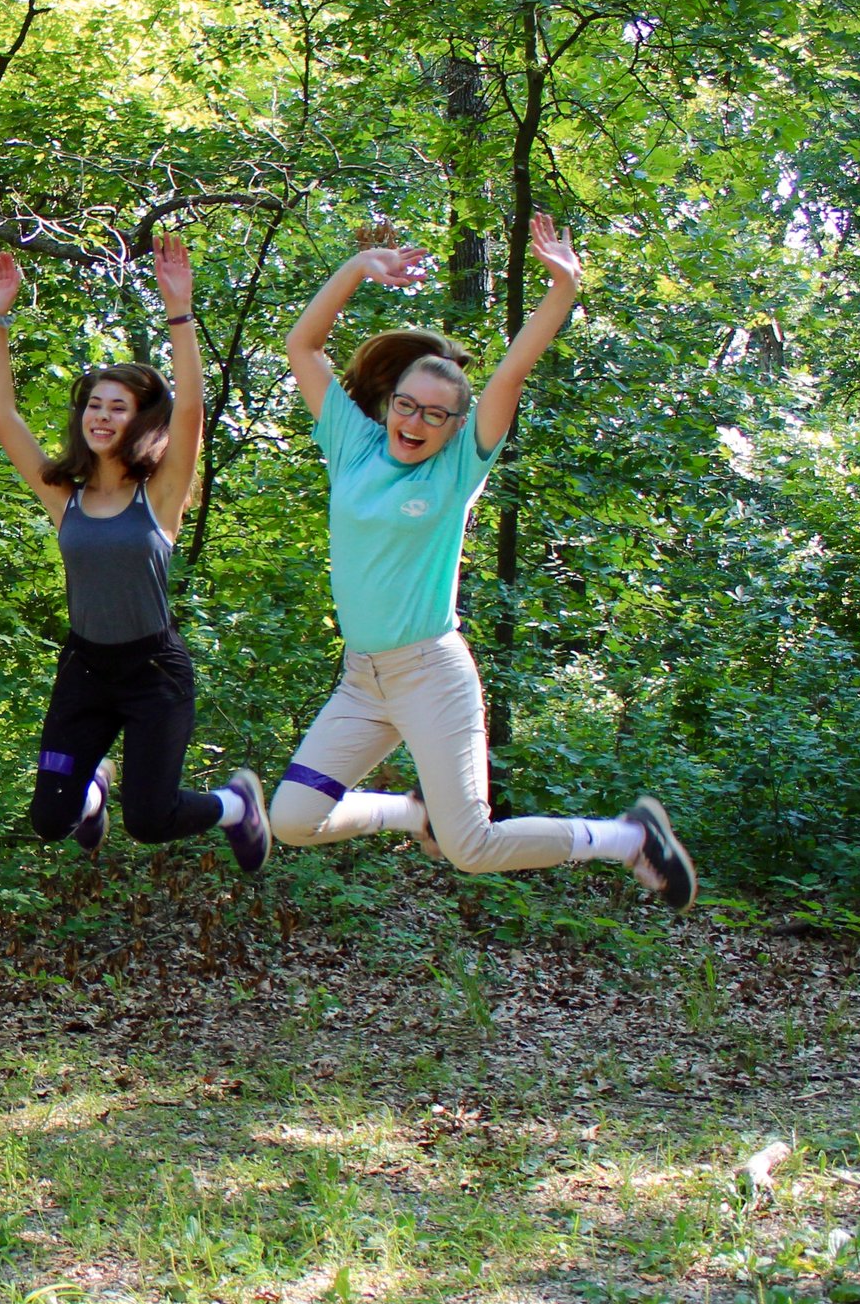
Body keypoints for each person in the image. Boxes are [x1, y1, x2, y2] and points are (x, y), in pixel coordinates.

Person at [267, 216, 696, 909]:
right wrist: (356, 267)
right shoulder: (352, 443)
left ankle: (626, 838)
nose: (415, 421)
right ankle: (411, 812)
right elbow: (303, 344)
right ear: (387, 404)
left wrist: (565, 286)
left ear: (456, 426)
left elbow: (514, 368)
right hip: (362, 680)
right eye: (405, 404)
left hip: (431, 675)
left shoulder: (458, 469)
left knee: (473, 848)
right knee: (291, 819)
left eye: (434, 414)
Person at [0, 239, 270, 872]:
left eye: (118, 407)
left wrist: (179, 311)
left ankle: (237, 806)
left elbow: (190, 410)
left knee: (150, 819)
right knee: (50, 819)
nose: (101, 416)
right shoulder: (67, 496)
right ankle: (92, 790)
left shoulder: (158, 496)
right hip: (85, 671)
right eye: (93, 404)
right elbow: (1, 414)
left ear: (140, 421)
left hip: (152, 675)